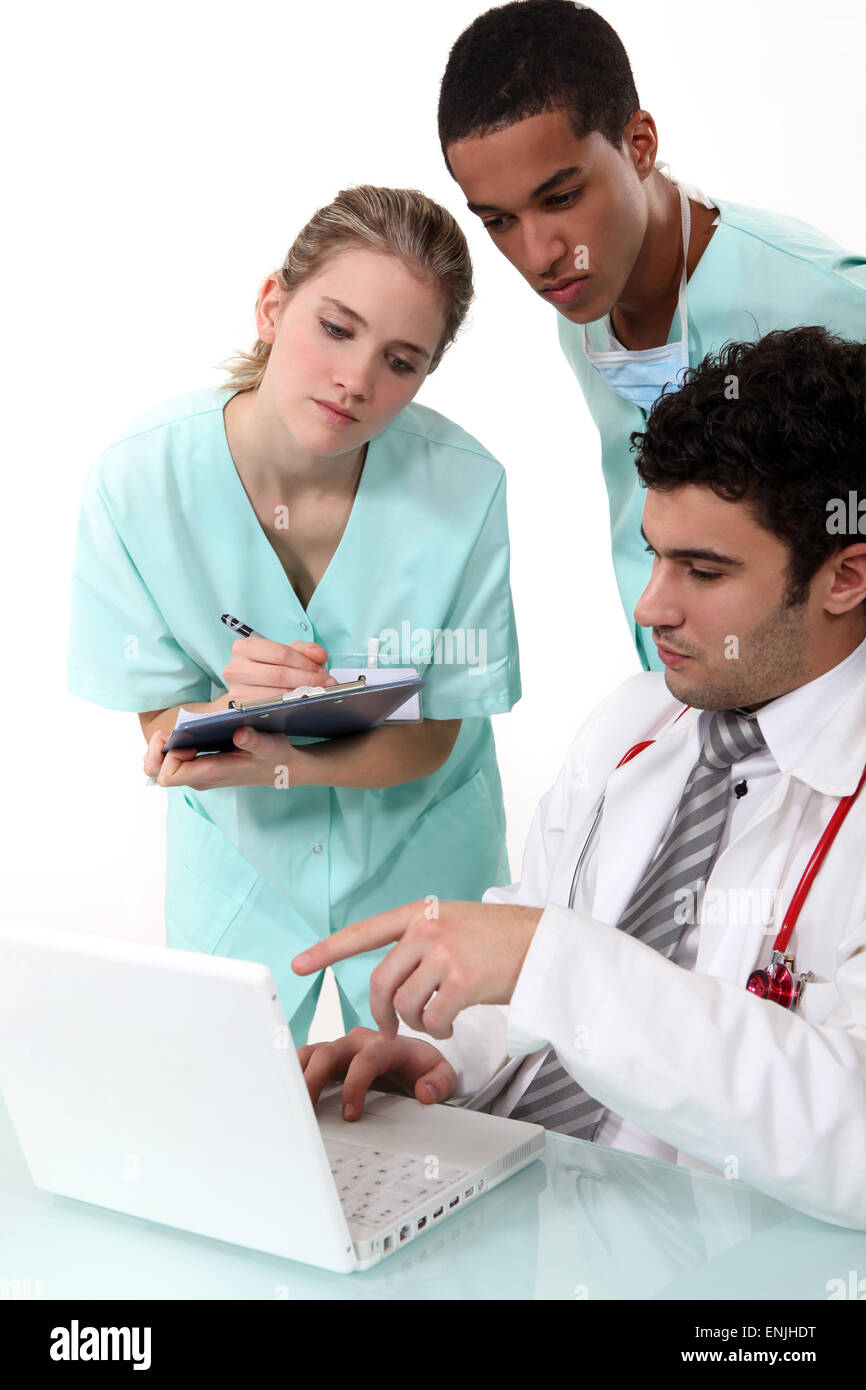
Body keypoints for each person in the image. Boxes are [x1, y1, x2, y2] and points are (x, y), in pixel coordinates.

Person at [292, 326, 866, 1229]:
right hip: (516, 1200)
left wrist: (548, 955)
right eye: (654, 553)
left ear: (845, 576)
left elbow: (851, 1142)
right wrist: (450, 1067)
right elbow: (533, 1002)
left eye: (704, 570)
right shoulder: (633, 726)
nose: (653, 606)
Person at [66, 185, 521, 1043]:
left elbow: (437, 732)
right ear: (273, 305)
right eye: (336, 328)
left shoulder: (466, 488)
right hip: (239, 869)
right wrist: (217, 727)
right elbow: (160, 717)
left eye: (401, 360)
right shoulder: (139, 480)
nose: (356, 381)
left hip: (423, 856)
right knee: (224, 1117)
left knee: (450, 1128)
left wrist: (289, 758)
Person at [436, 0, 866, 671]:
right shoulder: (581, 309)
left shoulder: (827, 300)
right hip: (693, 697)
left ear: (639, 145)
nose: (538, 255)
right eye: (498, 220)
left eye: (561, 198)